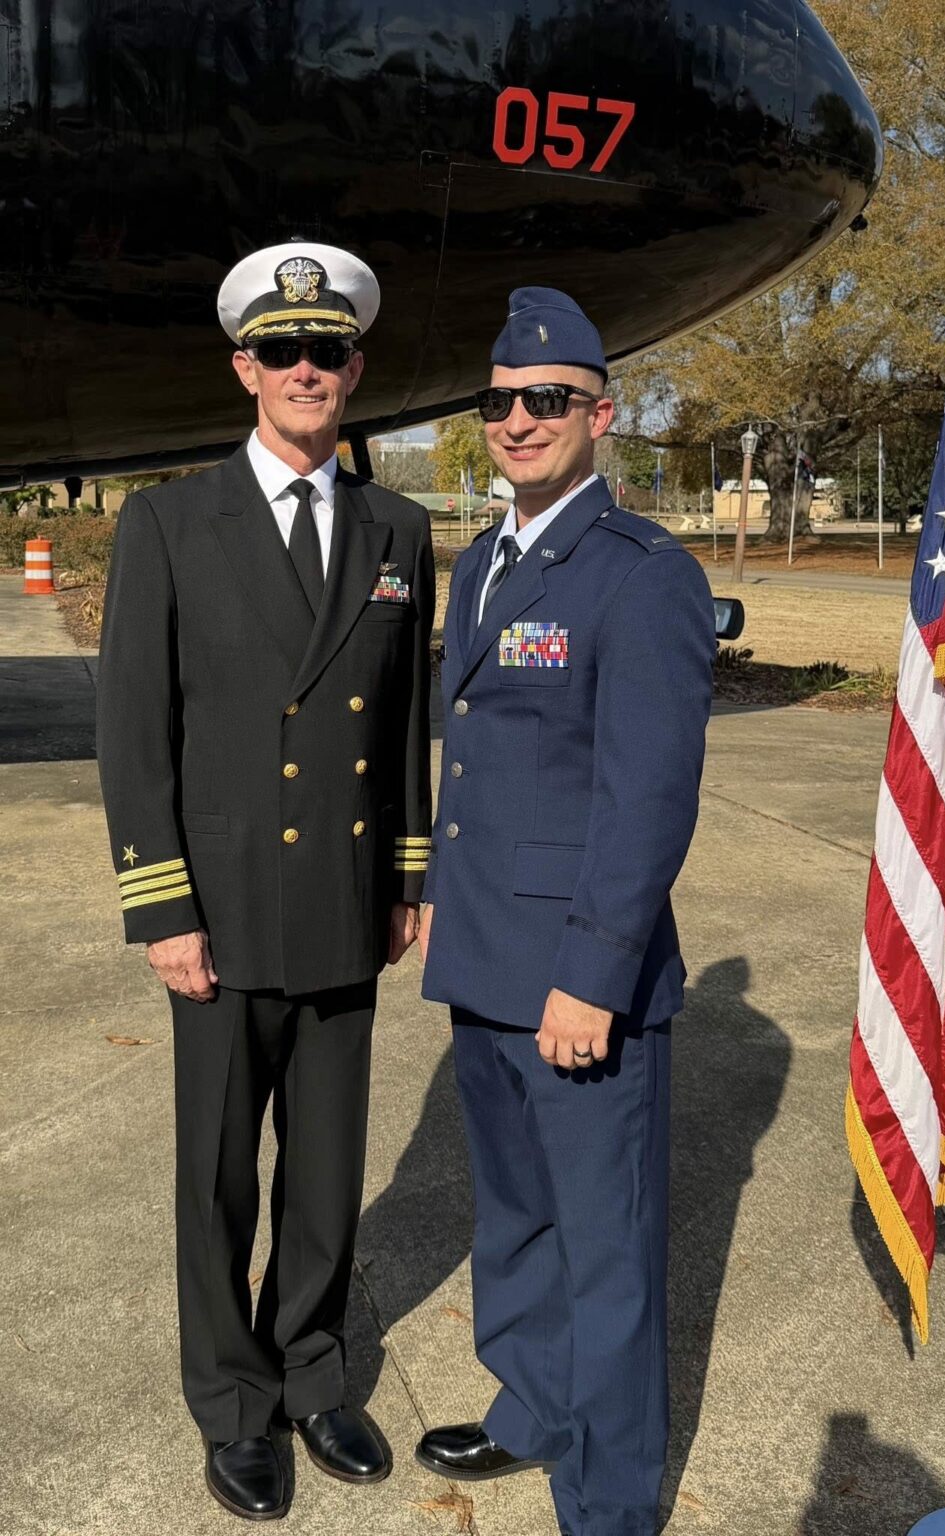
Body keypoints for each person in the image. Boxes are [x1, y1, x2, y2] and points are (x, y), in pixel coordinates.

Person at [96, 241, 433, 1521]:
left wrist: (409, 872)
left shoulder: (399, 527)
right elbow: (134, 733)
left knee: (329, 1171)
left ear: (356, 370)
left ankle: (312, 1373)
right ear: (245, 367)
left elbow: (403, 724)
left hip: (346, 905)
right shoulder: (174, 522)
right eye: (282, 352)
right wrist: (161, 908)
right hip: (224, 917)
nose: (307, 371)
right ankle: (233, 1402)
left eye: (329, 352)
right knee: (221, 1174)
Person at [416, 288, 715, 1536]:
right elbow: (475, 752)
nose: (518, 420)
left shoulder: (642, 574)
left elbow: (647, 798)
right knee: (518, 1218)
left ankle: (609, 1502)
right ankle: (531, 1411)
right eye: (499, 401)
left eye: (547, 400)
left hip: (576, 976)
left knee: (605, 1247)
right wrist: (438, 895)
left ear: (602, 414)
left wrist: (592, 975)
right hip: (486, 955)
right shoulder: (485, 563)